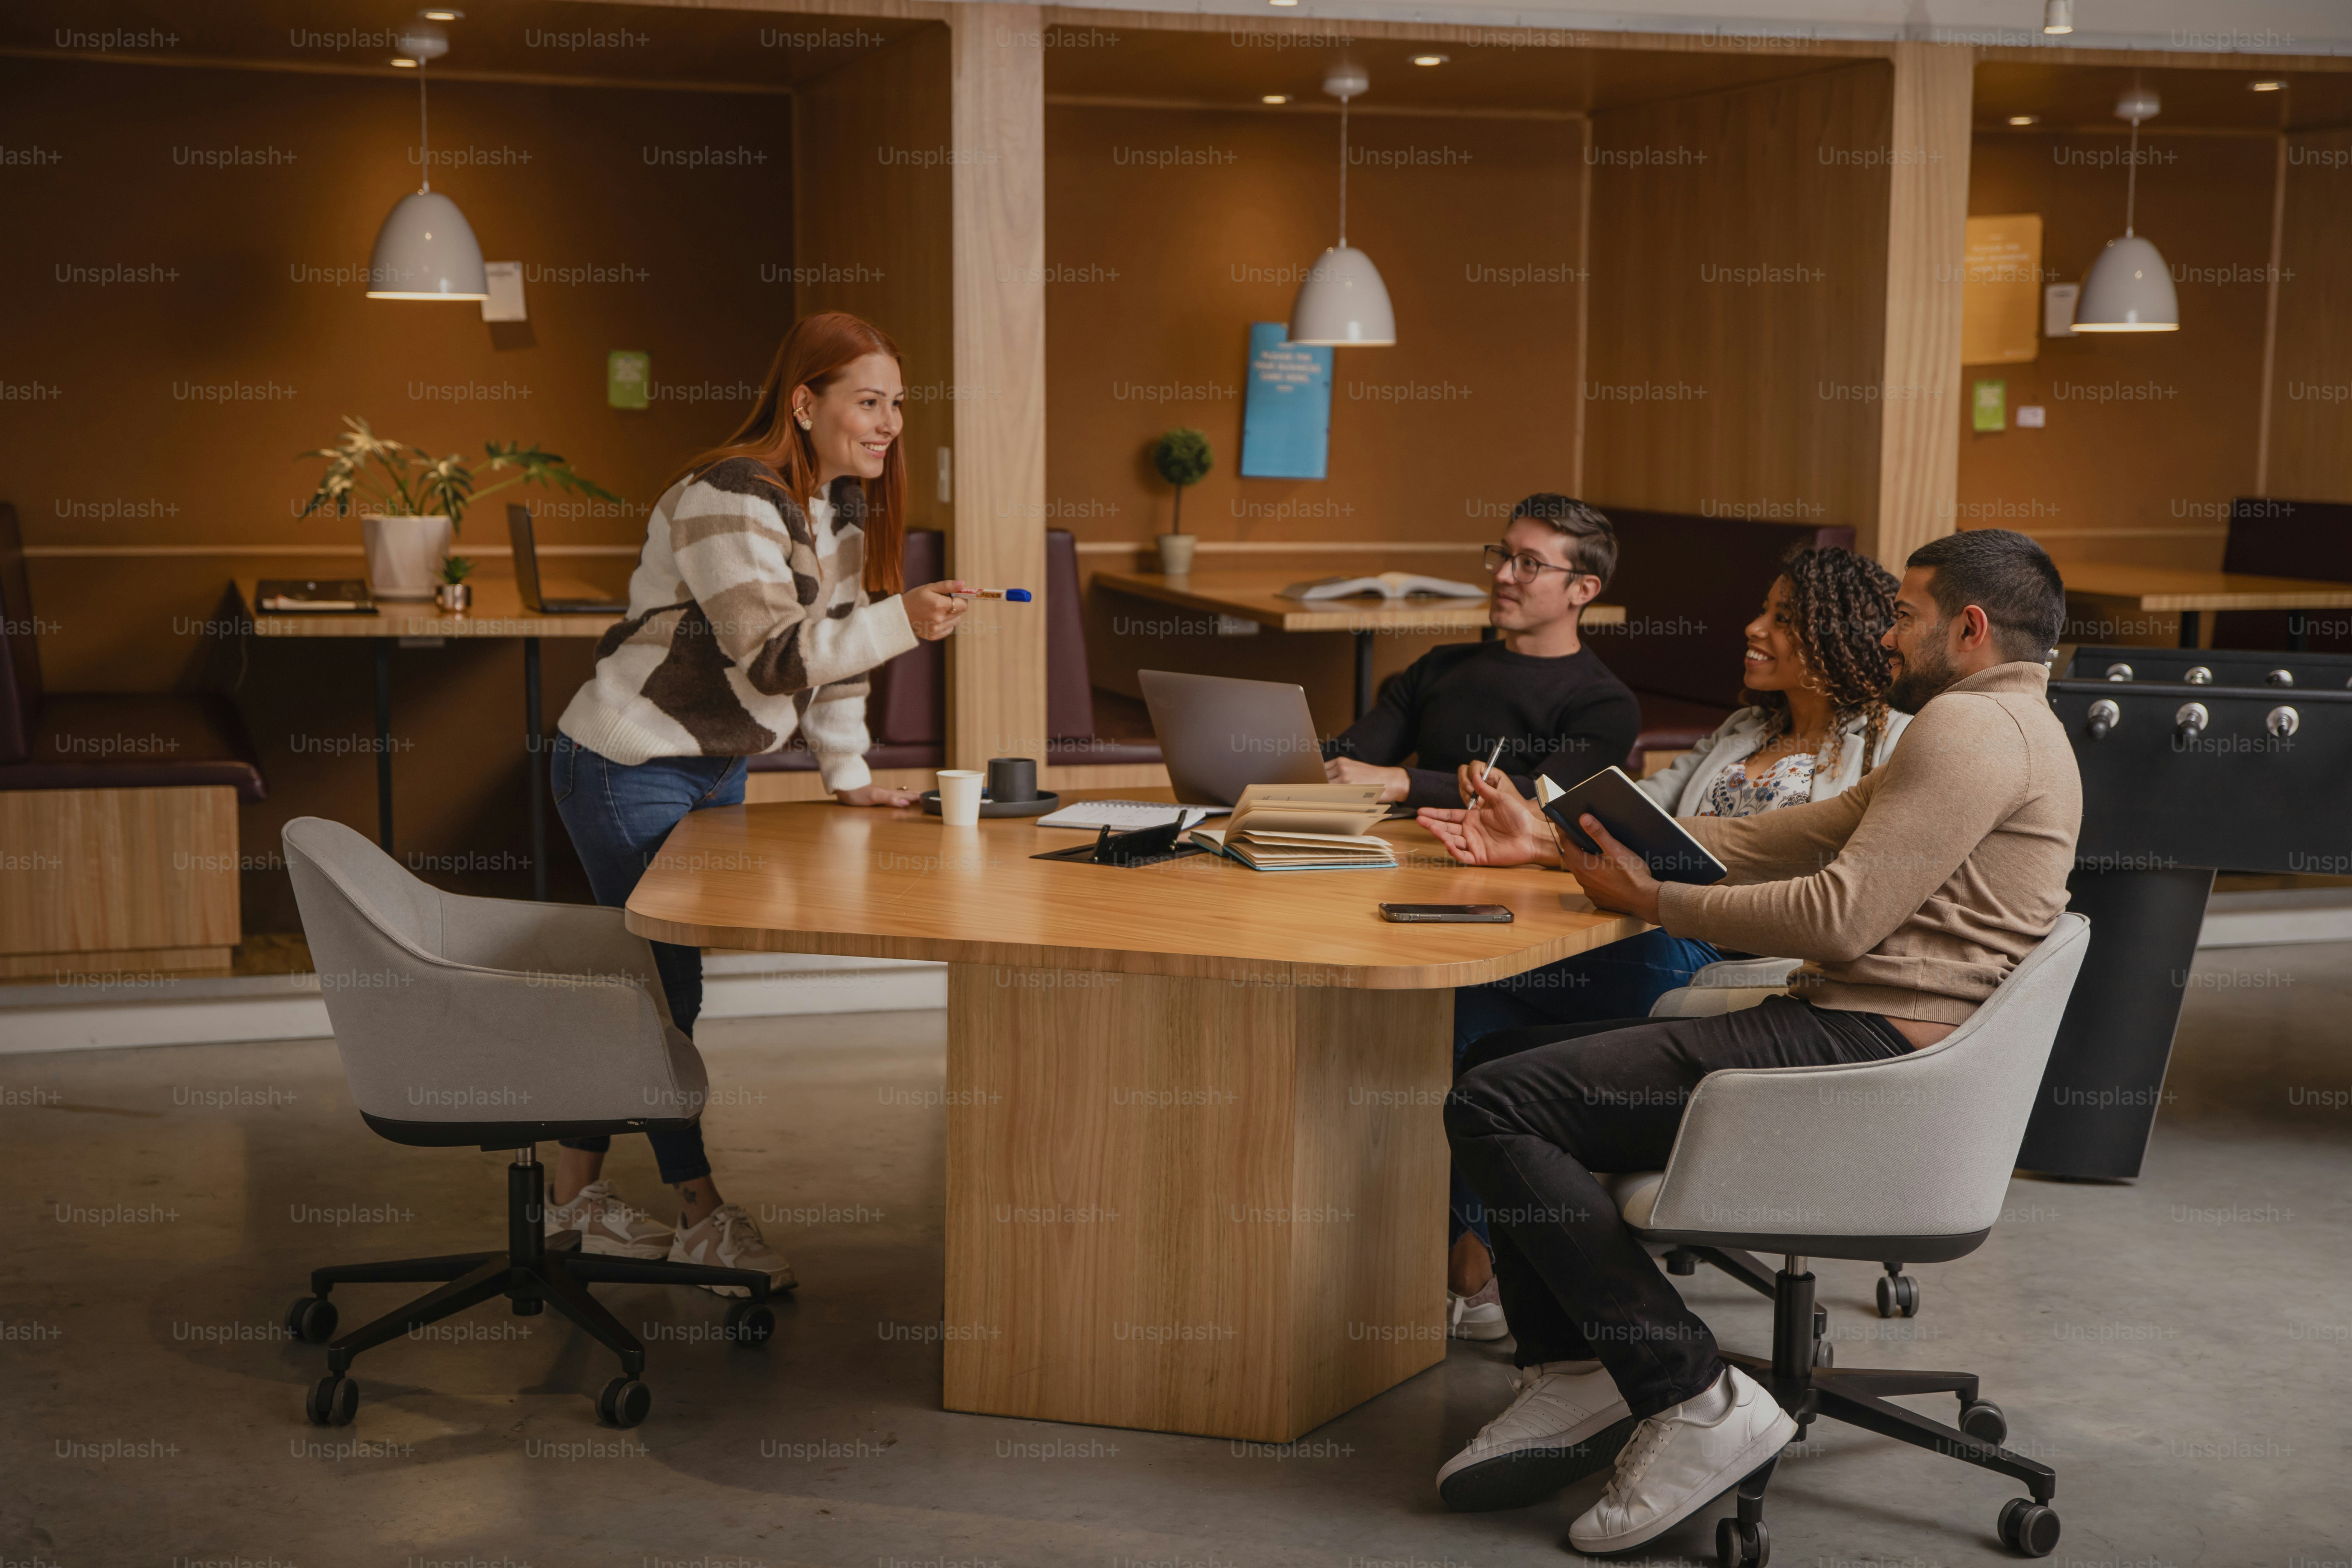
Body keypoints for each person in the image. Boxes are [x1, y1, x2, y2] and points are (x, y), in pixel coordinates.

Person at [1430, 530, 2078, 1554]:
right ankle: (1574, 1369)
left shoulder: (1972, 729)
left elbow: (1837, 916)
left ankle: (1683, 1390)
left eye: (1903, 614)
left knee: (1495, 1101)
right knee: (1493, 1071)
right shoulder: (1999, 723)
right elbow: (1801, 832)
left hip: (1863, 1054)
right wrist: (1561, 841)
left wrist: (1659, 899)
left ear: (1969, 627)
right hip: (1867, 1037)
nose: (1885, 630)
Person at [542, 312, 972, 1295]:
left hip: (713, 766)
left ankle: (572, 1200)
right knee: (663, 991)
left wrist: (848, 774)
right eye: (868, 401)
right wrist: (903, 622)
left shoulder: (841, 510)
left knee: (639, 987)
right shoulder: (724, 496)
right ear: (804, 402)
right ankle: (700, 1215)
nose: (889, 422)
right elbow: (776, 657)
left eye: (898, 403)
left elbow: (837, 667)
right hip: (629, 762)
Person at [1429, 546, 1908, 1343]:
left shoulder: (1888, 748)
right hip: (1662, 930)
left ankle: (1488, 1263)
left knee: (1501, 973)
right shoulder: (1743, 727)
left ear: (1840, 633)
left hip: (1748, 968)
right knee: (1469, 995)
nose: (1753, 630)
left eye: (1782, 619)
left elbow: (1842, 896)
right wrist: (1535, 825)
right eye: (1762, 611)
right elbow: (1633, 811)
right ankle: (1475, 1254)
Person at [1323, 495, 1640, 810]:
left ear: (1582, 590)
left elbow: (1541, 799)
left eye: (1529, 563)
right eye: (1504, 555)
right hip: (1404, 845)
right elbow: (1346, 760)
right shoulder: (1440, 664)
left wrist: (1403, 783)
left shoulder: (1607, 705)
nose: (1502, 575)